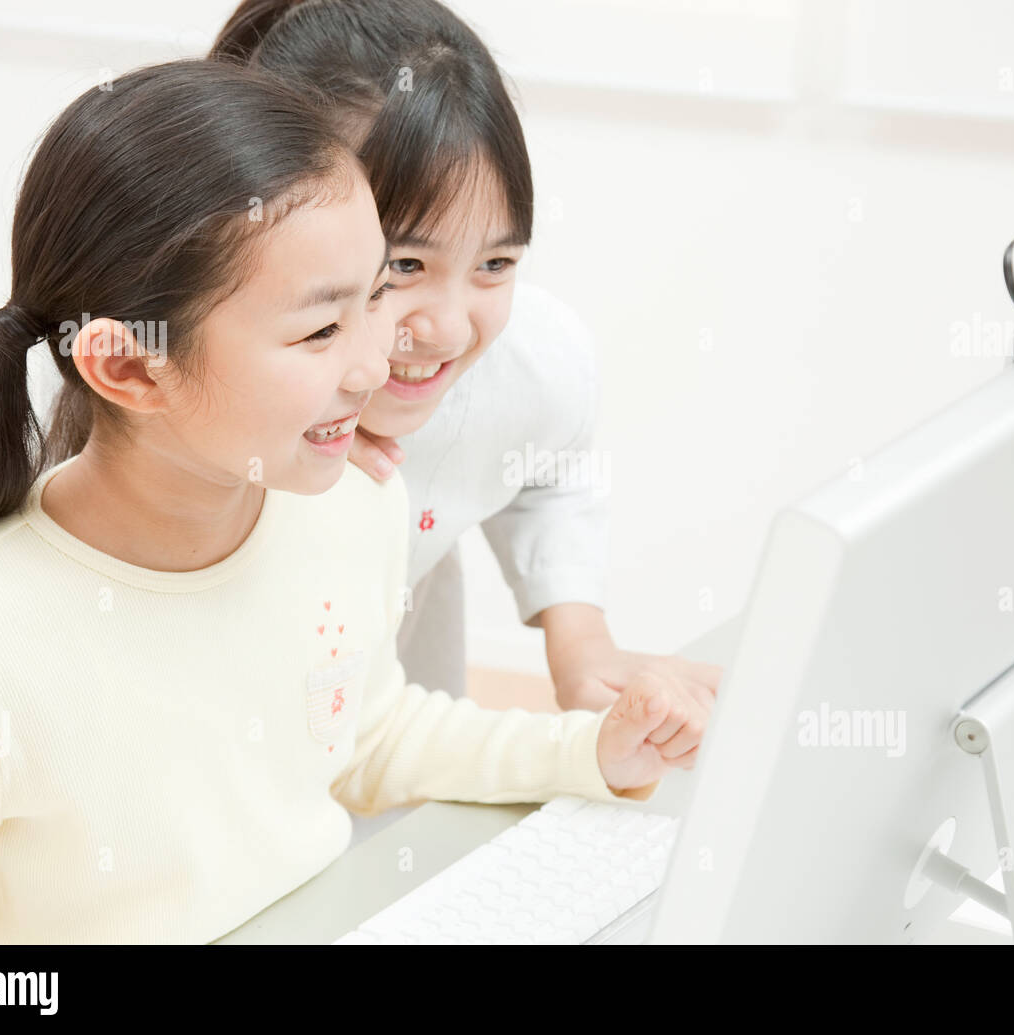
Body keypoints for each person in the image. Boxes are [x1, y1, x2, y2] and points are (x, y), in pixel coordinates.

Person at [0, 59, 706, 944]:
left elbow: (370, 734)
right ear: (129, 366)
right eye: (321, 328)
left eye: (374, 296)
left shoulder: (349, 510)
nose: (374, 364)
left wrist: (587, 752)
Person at [207, 0, 724, 712]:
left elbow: (547, 459)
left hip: (401, 728)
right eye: (405, 267)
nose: (450, 330)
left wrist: (579, 636)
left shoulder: (532, 362)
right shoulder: (173, 395)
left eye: (495, 262)